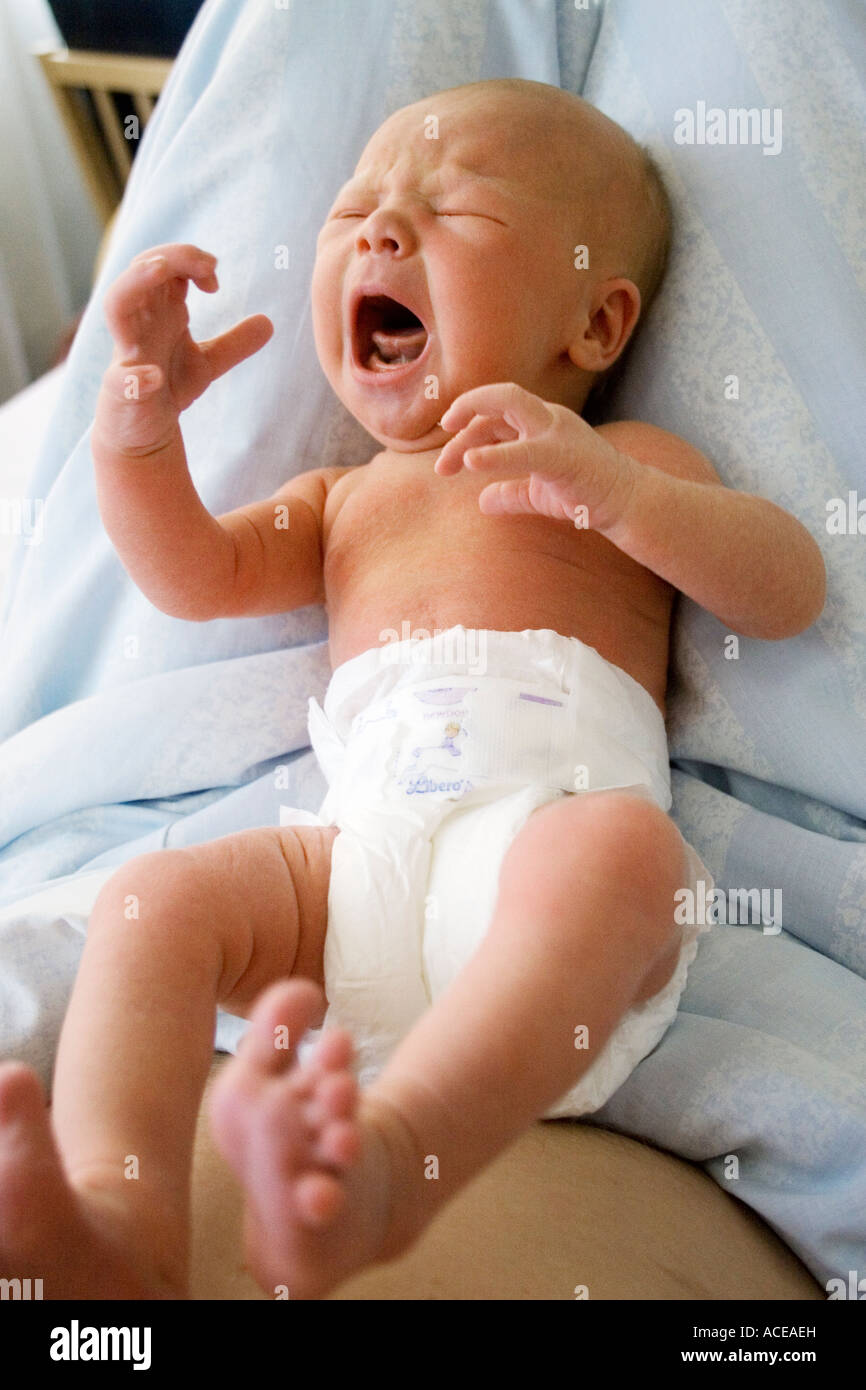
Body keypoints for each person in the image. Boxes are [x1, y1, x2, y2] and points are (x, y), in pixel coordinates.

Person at [0, 79, 825, 1299]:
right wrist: (136, 423)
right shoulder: (349, 497)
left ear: (594, 326)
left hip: (535, 854)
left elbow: (786, 587)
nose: (382, 231)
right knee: (153, 904)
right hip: (351, 869)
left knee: (628, 863)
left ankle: (391, 1164)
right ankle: (123, 1219)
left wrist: (618, 496)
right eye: (355, 211)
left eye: (455, 211)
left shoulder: (631, 465)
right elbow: (188, 571)